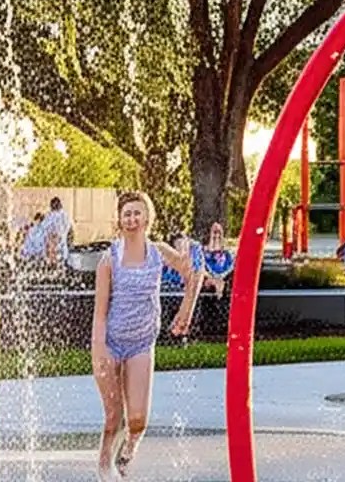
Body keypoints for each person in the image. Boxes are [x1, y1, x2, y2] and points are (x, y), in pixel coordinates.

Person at [91, 191, 199, 482]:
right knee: (114, 418)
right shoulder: (109, 259)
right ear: (119, 219)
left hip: (141, 343)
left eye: (137, 212)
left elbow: (194, 274)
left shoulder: (159, 252)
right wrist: (99, 351)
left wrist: (185, 311)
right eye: (126, 213)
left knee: (137, 421)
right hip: (110, 343)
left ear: (147, 218)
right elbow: (99, 313)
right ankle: (104, 470)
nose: (132, 218)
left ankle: (127, 454)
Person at [201, 222, 234, 299]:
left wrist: (222, 275)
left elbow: (230, 264)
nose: (216, 236)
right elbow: (204, 264)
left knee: (220, 282)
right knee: (213, 281)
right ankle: (218, 291)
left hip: (222, 276)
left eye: (219, 234)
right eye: (214, 234)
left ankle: (219, 292)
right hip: (210, 276)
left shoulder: (226, 251)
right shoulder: (205, 250)